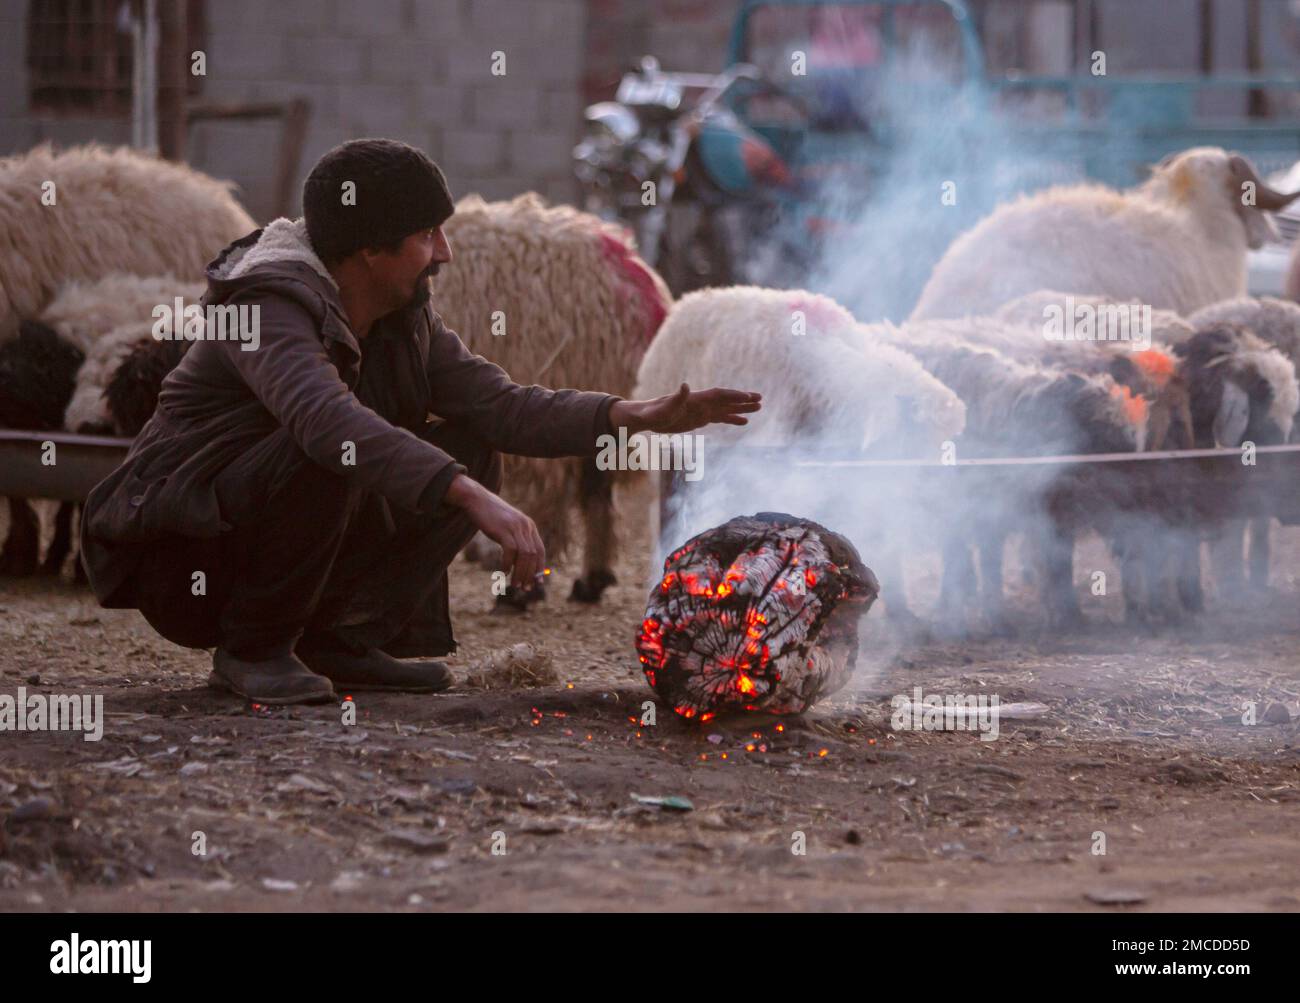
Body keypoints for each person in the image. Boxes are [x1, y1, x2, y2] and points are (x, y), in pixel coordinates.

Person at [80, 138, 761, 706]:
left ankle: (336, 640)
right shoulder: (267, 305)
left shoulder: (402, 317)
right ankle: (253, 648)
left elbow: (501, 404)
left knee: (468, 437)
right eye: (426, 235)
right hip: (180, 549)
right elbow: (324, 421)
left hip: (247, 525)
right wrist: (466, 493)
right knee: (335, 445)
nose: (445, 252)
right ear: (370, 251)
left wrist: (633, 414)